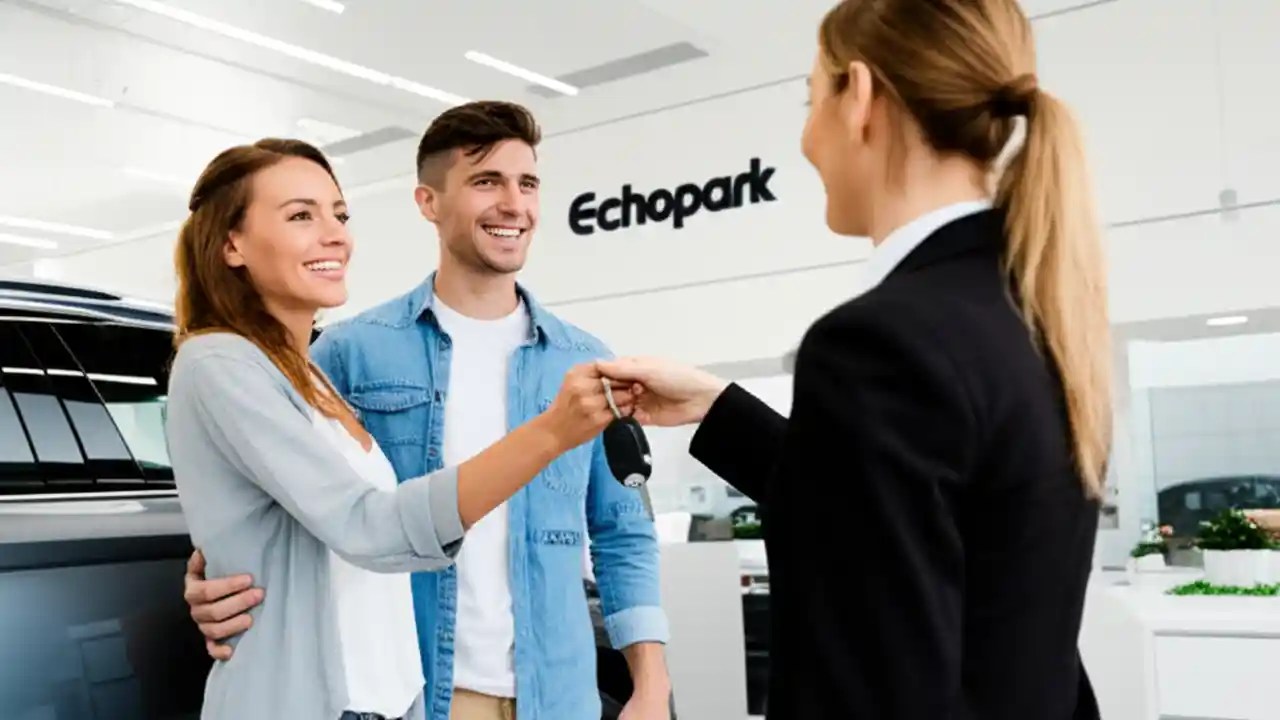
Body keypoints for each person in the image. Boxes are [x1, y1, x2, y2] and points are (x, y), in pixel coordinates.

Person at [598, 1, 1111, 718]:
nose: (807, 137)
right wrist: (719, 409)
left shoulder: (879, 342)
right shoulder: (1033, 316)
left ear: (861, 96)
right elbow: (908, 528)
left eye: (813, 99)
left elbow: (867, 674)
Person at [181, 103, 672, 720]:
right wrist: (220, 569)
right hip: (431, 697)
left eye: (528, 183)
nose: (513, 204)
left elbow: (623, 530)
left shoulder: (584, 361)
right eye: (486, 181)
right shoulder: (346, 355)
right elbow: (308, 505)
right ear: (427, 202)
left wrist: (650, 687)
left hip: (559, 696)